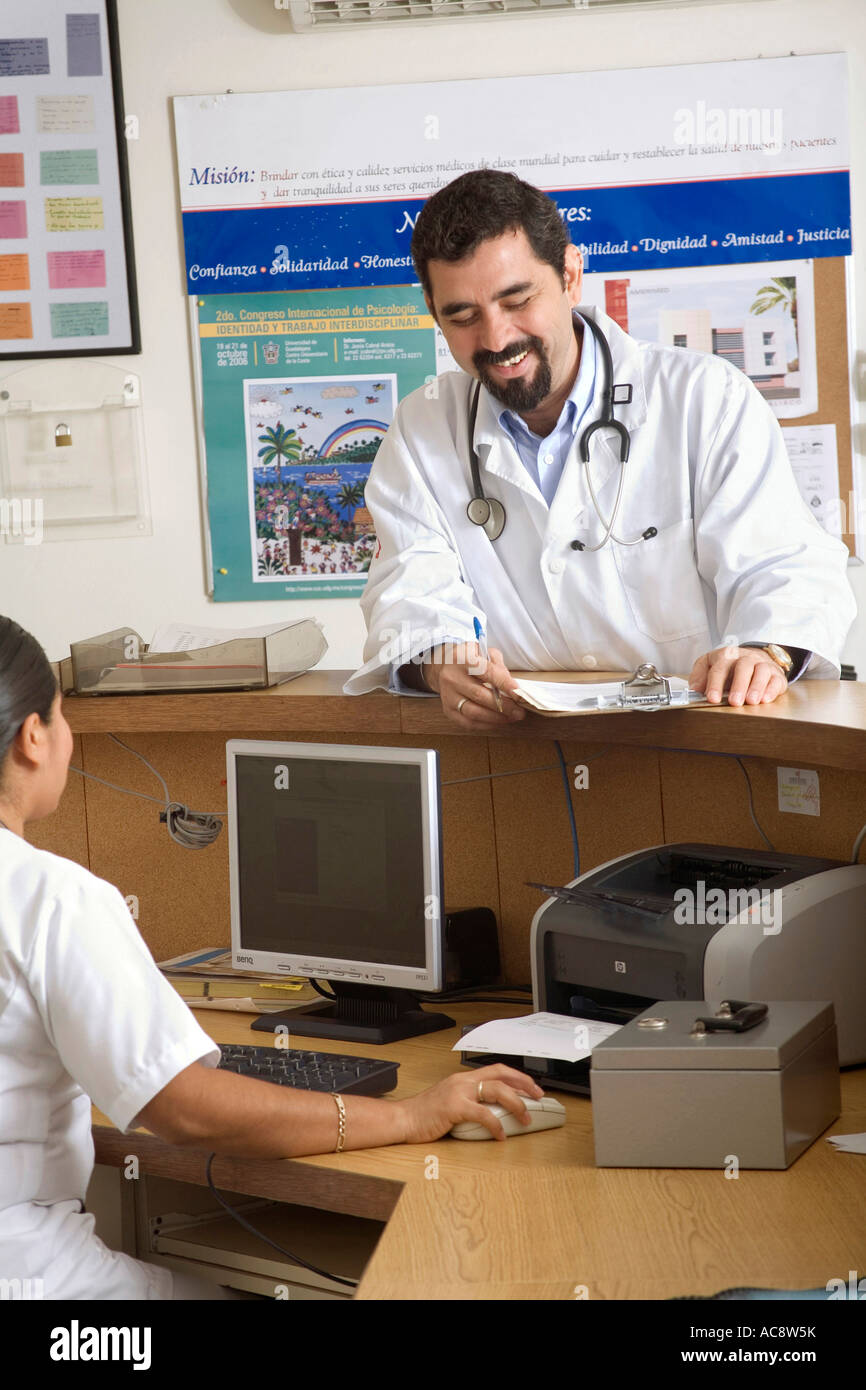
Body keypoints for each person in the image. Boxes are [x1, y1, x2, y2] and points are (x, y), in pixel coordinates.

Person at [0, 617, 540, 1300]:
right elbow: (189, 1113)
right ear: (33, 737)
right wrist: (409, 1116)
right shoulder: (52, 898)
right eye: (64, 716)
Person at [344, 170, 855, 725]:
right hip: (518, 752)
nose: (495, 338)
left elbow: (783, 564)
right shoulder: (423, 429)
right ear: (432, 308)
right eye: (462, 316)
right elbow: (406, 588)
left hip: (699, 740)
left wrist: (765, 651)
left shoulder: (705, 398)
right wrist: (437, 662)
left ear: (569, 274)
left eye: (517, 299)